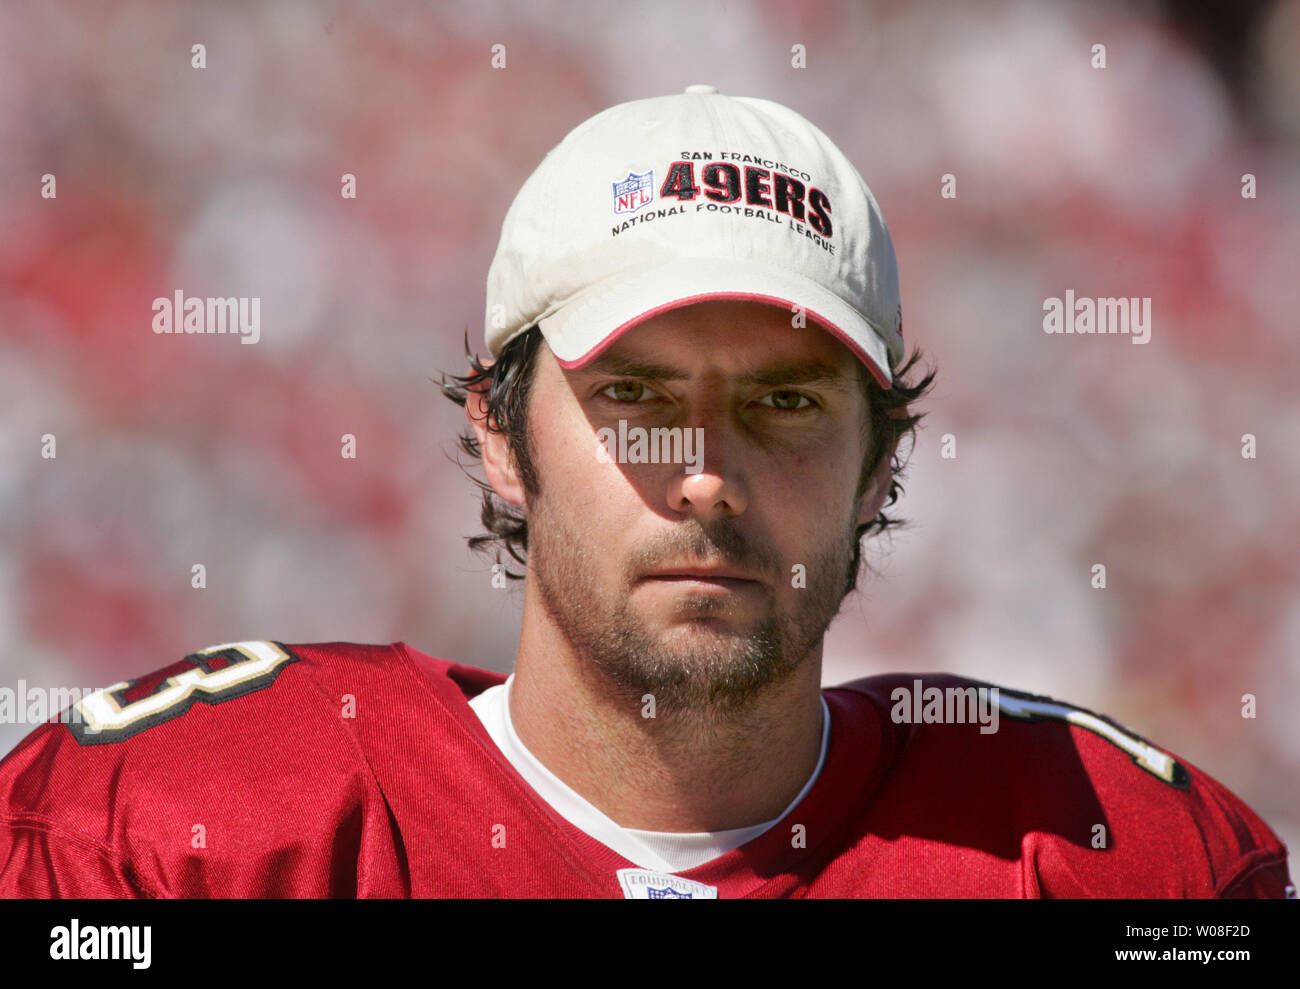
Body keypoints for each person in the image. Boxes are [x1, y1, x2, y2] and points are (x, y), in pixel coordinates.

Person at [0, 86, 1290, 898]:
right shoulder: (187, 839)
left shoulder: (1103, 857)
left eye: (784, 403)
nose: (710, 477)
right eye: (639, 399)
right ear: (503, 438)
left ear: (878, 466)